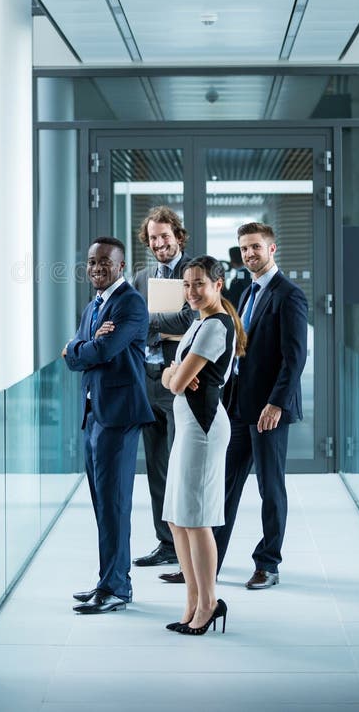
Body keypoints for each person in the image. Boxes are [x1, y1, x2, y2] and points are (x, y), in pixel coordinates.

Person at [214, 222, 308, 589]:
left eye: (256, 247)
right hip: (239, 405)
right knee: (224, 486)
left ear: (272, 249)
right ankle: (211, 561)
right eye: (244, 248)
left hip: (270, 409)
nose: (249, 253)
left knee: (270, 488)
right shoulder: (244, 291)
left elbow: (295, 358)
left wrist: (276, 404)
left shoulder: (289, 295)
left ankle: (268, 563)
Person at [63, 237, 154, 614]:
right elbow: (77, 355)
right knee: (103, 504)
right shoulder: (94, 306)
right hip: (95, 415)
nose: (96, 267)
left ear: (121, 266)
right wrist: (80, 348)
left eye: (105, 262)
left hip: (119, 415)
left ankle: (117, 587)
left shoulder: (130, 303)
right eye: (91, 262)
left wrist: (77, 347)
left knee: (114, 504)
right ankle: (108, 581)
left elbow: (96, 351)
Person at [161, 256, 245, 635]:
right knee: (177, 518)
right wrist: (173, 374)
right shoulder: (198, 324)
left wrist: (174, 375)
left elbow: (177, 383)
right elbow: (173, 375)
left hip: (203, 429)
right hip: (188, 427)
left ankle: (209, 602)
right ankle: (193, 600)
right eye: (186, 284)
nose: (191, 291)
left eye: (199, 283)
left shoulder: (215, 326)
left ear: (218, 284)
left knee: (196, 518)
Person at [131, 206, 196, 568]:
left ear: (178, 237)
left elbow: (190, 319)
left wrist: (148, 322)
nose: (160, 244)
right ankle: (167, 543)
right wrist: (158, 324)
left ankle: (190, 542)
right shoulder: (141, 279)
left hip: (180, 380)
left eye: (165, 237)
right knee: (156, 465)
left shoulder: (193, 273)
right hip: (147, 379)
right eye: (154, 238)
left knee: (181, 465)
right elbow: (131, 321)